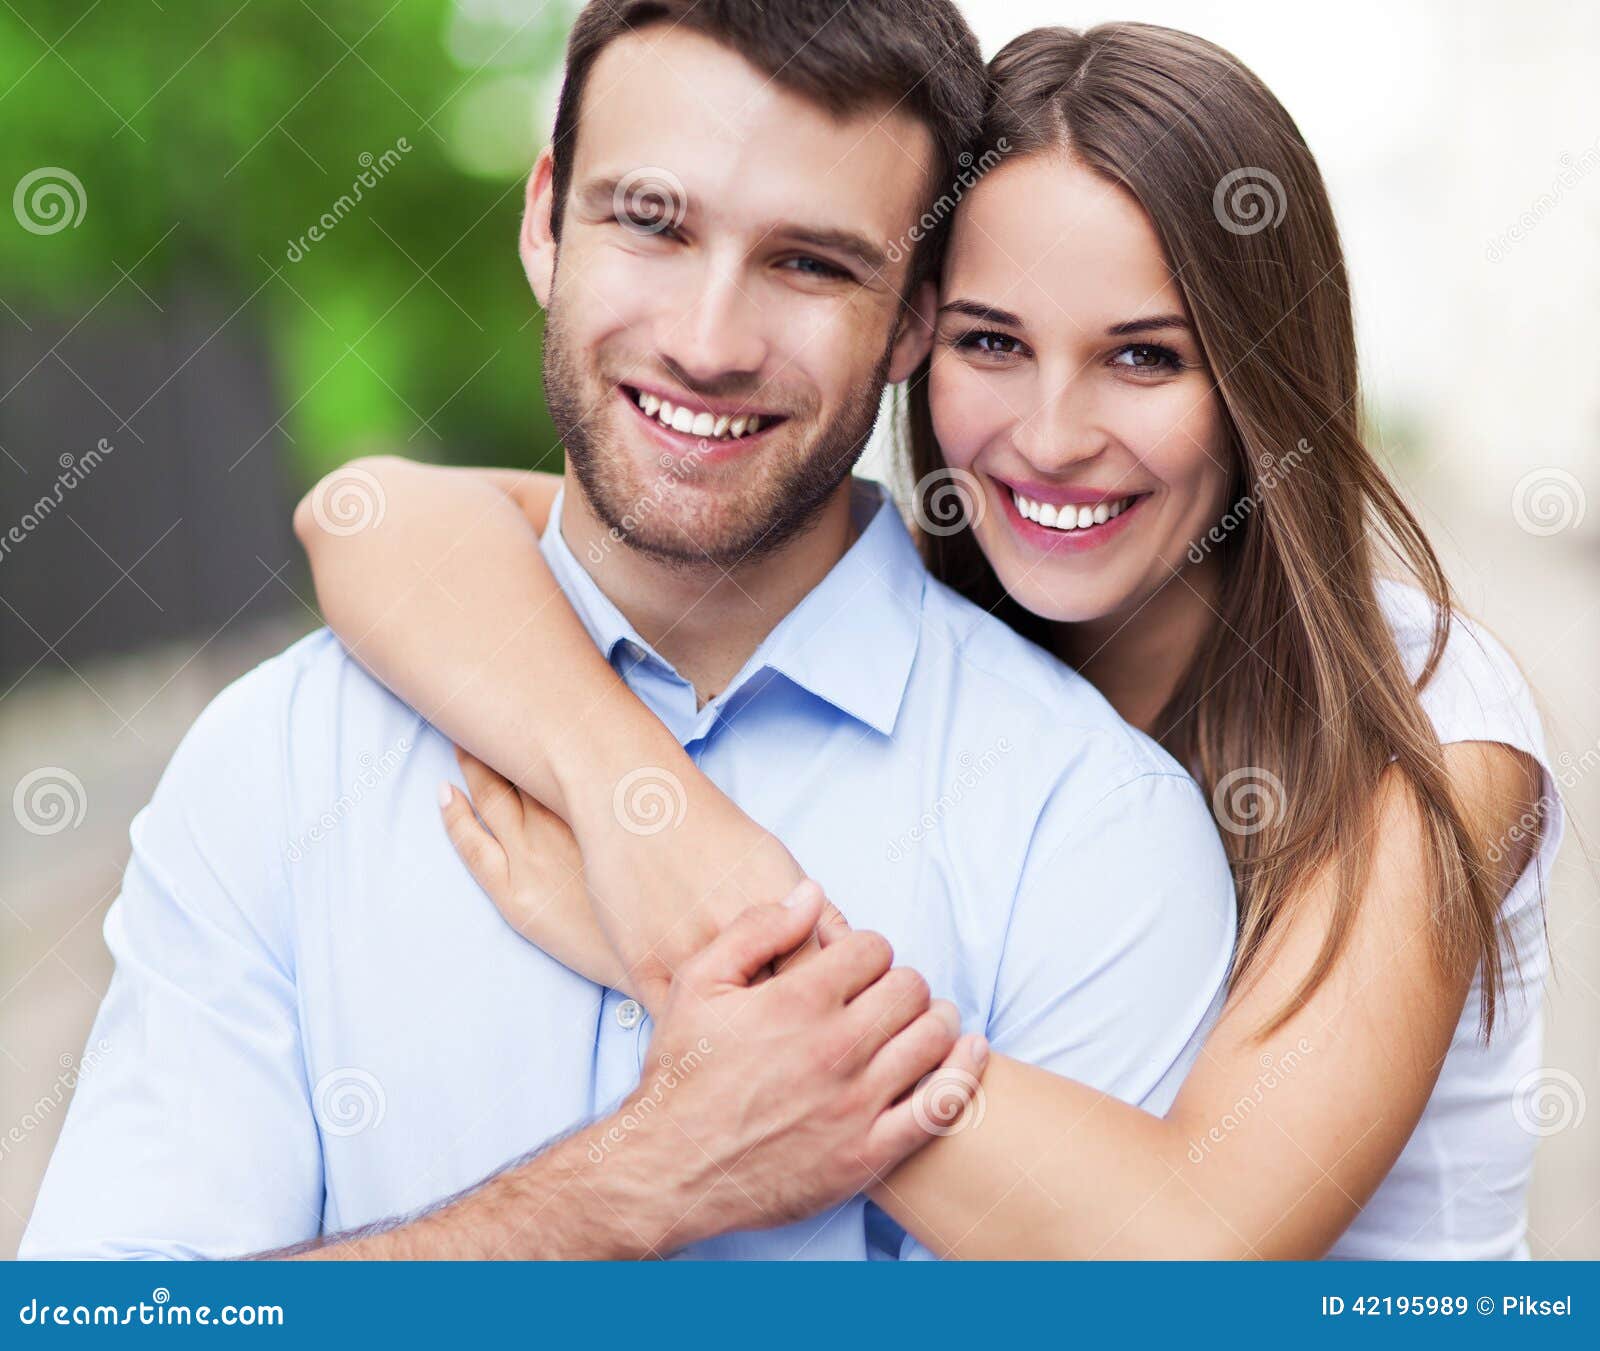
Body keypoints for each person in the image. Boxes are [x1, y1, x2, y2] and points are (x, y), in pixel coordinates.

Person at [297, 23, 1561, 1260]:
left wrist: (696, 962)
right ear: (910, 333)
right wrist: (641, 823)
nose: (1052, 436)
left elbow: (1194, 1247)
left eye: (1142, 357)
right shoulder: (945, 615)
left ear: (1259, 379)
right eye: (991, 342)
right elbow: (373, 519)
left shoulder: (1431, 726)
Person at [21, 2, 1236, 1262]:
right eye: (652, 223)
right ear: (546, 221)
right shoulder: (281, 758)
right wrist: (623, 1189)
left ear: (915, 321)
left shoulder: (1092, 827)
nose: (707, 345)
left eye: (811, 264)